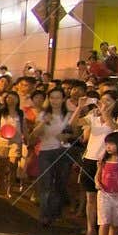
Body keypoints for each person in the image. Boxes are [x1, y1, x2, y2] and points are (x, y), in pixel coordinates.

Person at [27, 84, 73, 227]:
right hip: (46, 152)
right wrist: (43, 123)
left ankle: (55, 212)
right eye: (52, 98)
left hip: (63, 152)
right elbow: (35, 134)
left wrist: (66, 136)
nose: (55, 101)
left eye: (58, 98)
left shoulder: (68, 115)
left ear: (63, 99)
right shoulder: (43, 114)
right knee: (45, 184)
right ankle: (44, 215)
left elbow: (73, 133)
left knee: (60, 183)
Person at [78, 91, 118, 235]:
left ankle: (104, 230)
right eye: (102, 100)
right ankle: (90, 229)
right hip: (90, 159)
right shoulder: (93, 117)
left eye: (108, 100)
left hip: (108, 163)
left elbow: (115, 129)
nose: (104, 103)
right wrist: (80, 107)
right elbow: (74, 122)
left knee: (106, 199)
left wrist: (104, 113)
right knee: (90, 197)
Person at [0, 89, 24, 196]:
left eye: (14, 98)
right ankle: (1, 184)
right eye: (9, 98)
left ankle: (10, 188)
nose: (11, 100)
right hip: (3, 141)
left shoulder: (20, 114)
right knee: (2, 165)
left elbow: (24, 127)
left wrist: (27, 137)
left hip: (16, 142)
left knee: (13, 165)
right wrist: (0, 133)